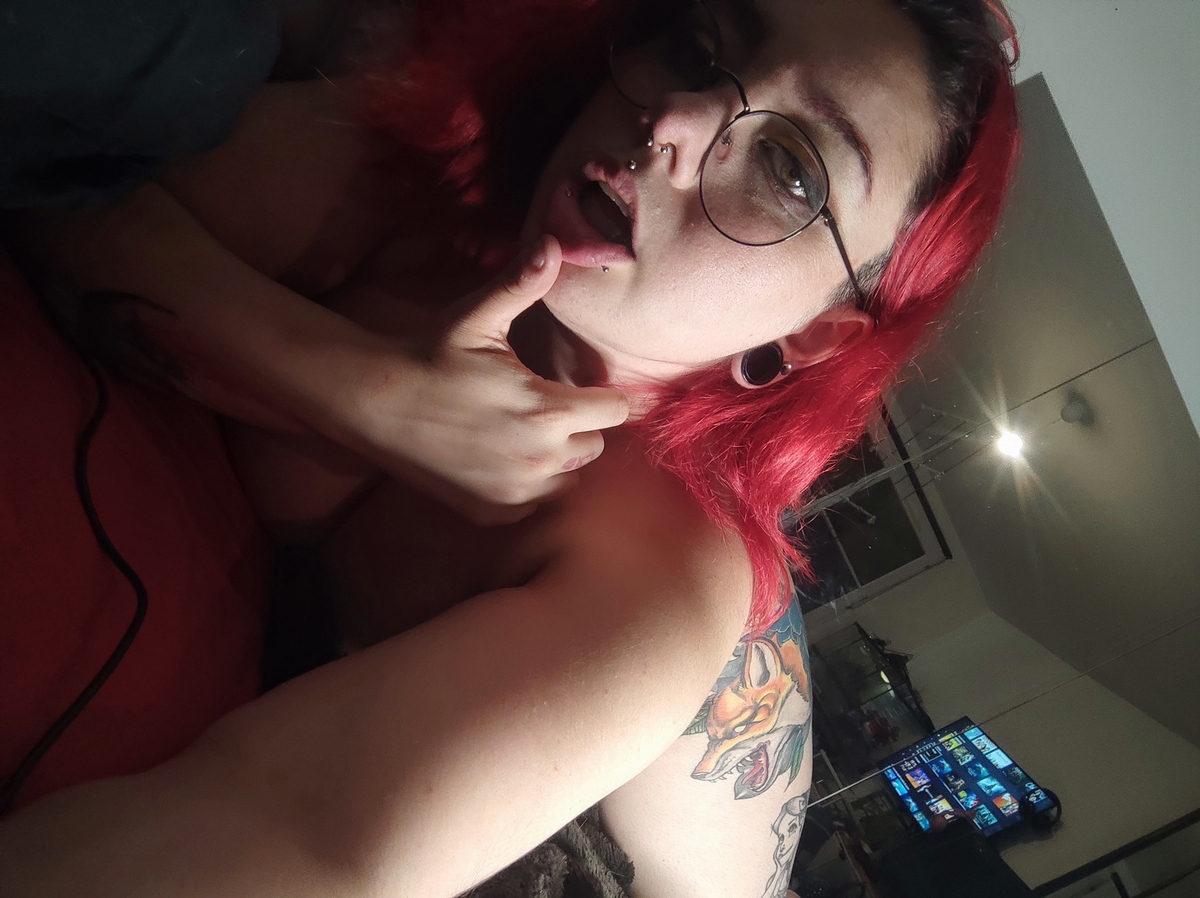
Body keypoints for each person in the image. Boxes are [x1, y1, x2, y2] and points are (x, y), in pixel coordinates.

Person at [0, 1, 1021, 896]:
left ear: (815, 334)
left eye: (791, 171)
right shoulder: (411, 188)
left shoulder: (666, 564)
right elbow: (73, 197)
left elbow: (288, 837)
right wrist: (372, 395)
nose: (673, 120)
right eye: (700, 47)